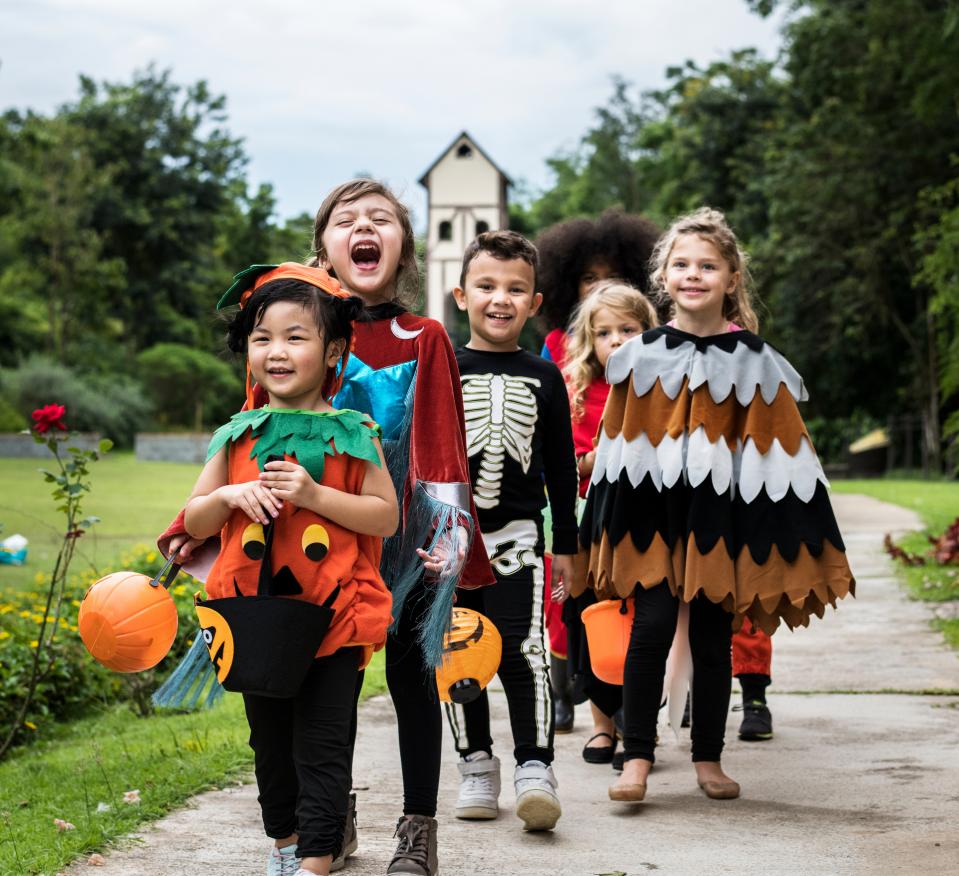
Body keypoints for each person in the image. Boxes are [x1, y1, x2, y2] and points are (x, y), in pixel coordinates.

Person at [159, 180, 493, 876]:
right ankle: (325, 830)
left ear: (402, 246)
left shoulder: (421, 335)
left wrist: (447, 537)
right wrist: (204, 521)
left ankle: (416, 827)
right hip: (306, 556)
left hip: (400, 546)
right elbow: (248, 434)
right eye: (347, 220)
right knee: (302, 698)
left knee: (408, 685)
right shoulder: (291, 326)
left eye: (381, 219)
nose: (363, 228)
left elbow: (438, 440)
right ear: (324, 247)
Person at [575, 207, 856, 804]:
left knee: (709, 634)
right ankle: (638, 757)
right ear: (664, 276)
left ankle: (708, 757)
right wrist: (603, 527)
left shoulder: (756, 362)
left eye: (708, 266)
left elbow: (782, 454)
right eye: (681, 264)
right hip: (651, 520)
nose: (693, 275)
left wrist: (791, 526)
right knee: (649, 629)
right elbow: (617, 448)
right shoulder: (638, 356)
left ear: (731, 279)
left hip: (717, 522)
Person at [182, 267, 396, 876]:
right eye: (261, 337)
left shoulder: (353, 434)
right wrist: (228, 499)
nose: (276, 352)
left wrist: (314, 495)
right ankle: (284, 843)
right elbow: (194, 520)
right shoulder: (236, 434)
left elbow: (384, 517)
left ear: (334, 351)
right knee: (271, 746)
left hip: (334, 619)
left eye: (295, 337)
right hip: (253, 623)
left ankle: (316, 860)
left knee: (324, 747)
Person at [443, 230, 577, 831]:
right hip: (450, 544)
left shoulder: (545, 378)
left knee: (526, 655)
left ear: (534, 301)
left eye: (515, 289)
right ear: (461, 294)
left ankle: (534, 765)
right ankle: (476, 764)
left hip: (519, 540)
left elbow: (563, 468)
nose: (500, 299)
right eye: (487, 286)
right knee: (459, 653)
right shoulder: (443, 367)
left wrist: (565, 546)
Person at [534, 209, 659, 755]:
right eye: (590, 278)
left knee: (630, 611)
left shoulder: (655, 367)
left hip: (638, 517)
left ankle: (630, 711)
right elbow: (556, 434)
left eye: (615, 277)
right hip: (581, 512)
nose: (602, 288)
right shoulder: (563, 352)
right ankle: (568, 692)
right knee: (569, 606)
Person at [557, 281, 658, 766]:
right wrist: (599, 456)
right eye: (604, 332)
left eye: (629, 329)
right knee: (592, 621)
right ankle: (601, 725)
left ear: (649, 332)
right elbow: (565, 462)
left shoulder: (660, 388)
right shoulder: (578, 391)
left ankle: (638, 726)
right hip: (589, 527)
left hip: (645, 526)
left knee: (644, 625)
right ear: (589, 340)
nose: (616, 340)